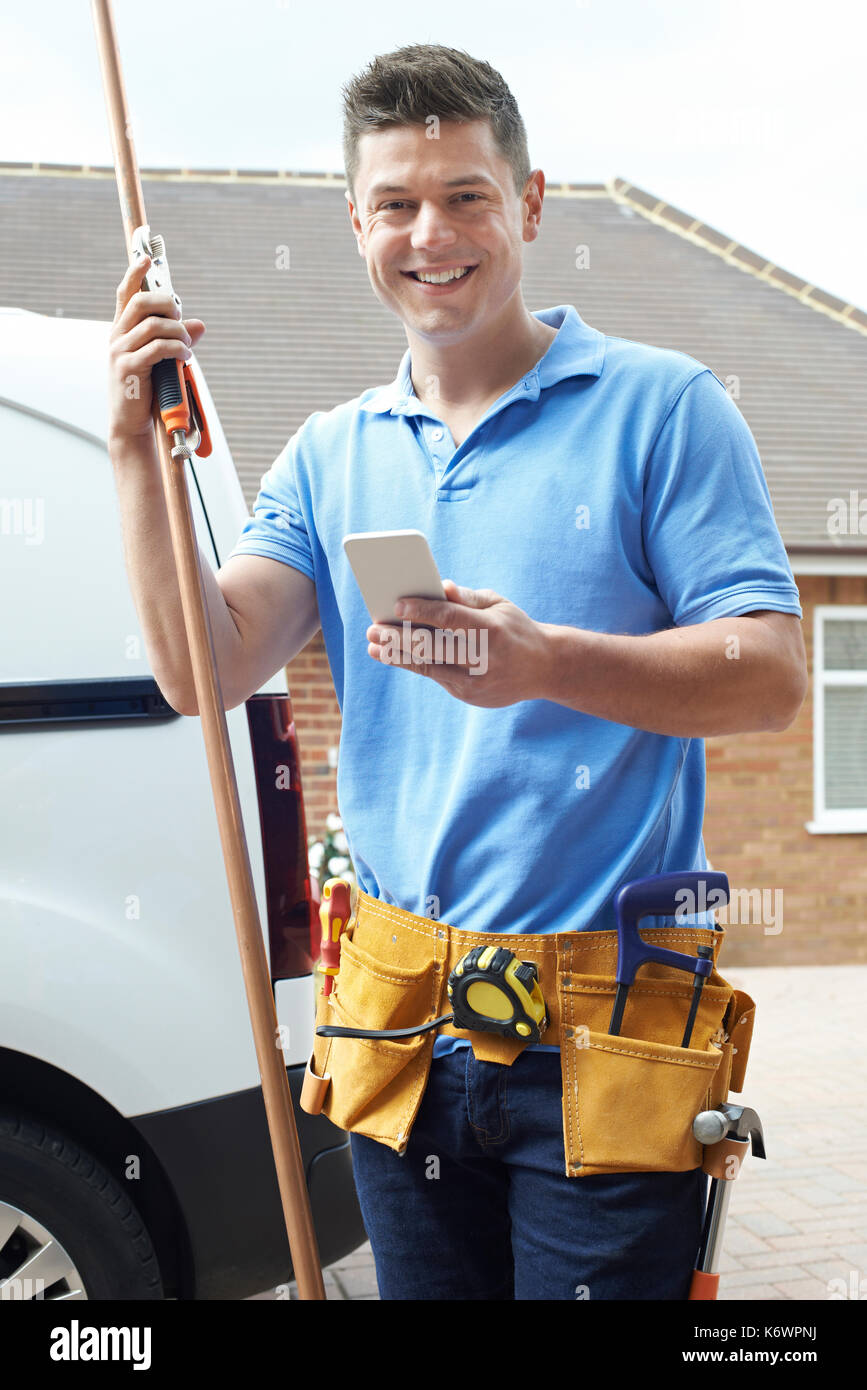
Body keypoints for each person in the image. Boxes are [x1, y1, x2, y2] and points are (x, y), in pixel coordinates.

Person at [107, 43, 807, 1300]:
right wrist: (126, 449)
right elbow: (202, 670)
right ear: (356, 225)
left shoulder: (665, 408)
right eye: (396, 204)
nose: (431, 232)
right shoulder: (327, 455)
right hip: (401, 1023)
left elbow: (767, 675)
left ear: (529, 204)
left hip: (607, 1026)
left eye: (465, 195)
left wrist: (543, 661)